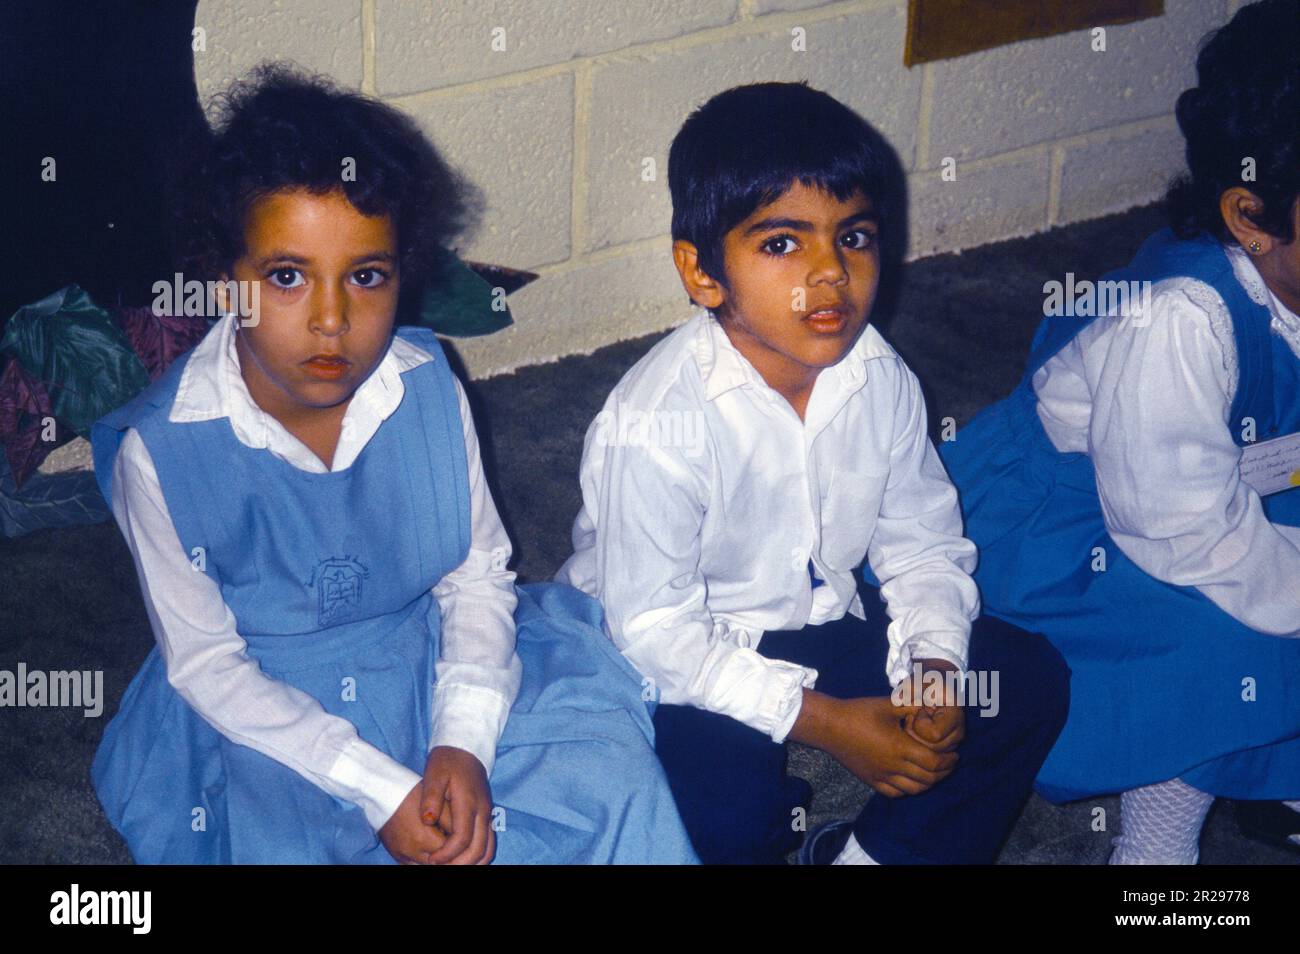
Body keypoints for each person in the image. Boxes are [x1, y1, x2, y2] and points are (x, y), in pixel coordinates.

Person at [89, 64, 697, 865]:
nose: (333, 320)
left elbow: (477, 575)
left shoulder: (424, 381)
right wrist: (378, 788)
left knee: (607, 785)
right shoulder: (160, 454)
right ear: (223, 276)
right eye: (286, 277)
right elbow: (208, 667)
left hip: (430, 651)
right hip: (270, 720)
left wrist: (464, 741)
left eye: (367, 276)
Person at [557, 81, 1070, 865]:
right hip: (676, 645)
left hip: (817, 612)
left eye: (854, 238)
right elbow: (655, 632)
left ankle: (863, 857)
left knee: (1023, 682)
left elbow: (922, 544)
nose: (829, 275)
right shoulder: (654, 422)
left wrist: (932, 664)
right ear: (701, 274)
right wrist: (822, 719)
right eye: (782, 243)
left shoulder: (878, 375)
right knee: (718, 824)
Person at [938, 0, 1300, 863]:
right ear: (1253, 218)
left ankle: (1271, 766)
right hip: (1078, 533)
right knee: (1223, 643)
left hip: (1230, 486)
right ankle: (1155, 851)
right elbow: (1181, 535)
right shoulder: (1177, 322)